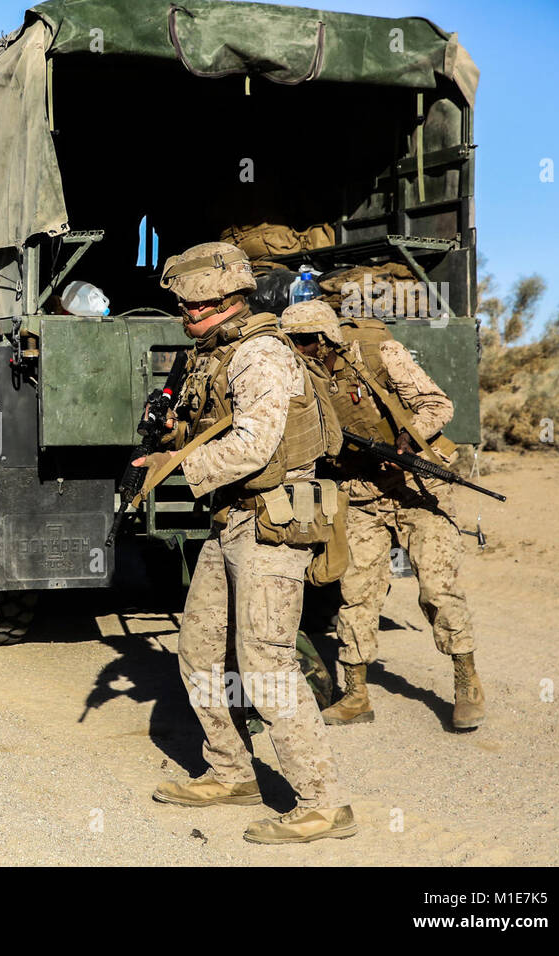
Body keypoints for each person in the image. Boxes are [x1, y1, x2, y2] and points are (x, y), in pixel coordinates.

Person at [147, 241, 355, 845]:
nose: (184, 312)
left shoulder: (260, 353)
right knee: (201, 650)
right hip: (232, 519)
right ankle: (231, 770)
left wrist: (175, 467)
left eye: (188, 300)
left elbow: (255, 446)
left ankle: (323, 803)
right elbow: (220, 429)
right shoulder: (220, 352)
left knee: (266, 664)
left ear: (216, 297)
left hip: (270, 523)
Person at [280, 299, 485, 730]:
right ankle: (356, 695)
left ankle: (466, 682)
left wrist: (407, 444)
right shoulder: (297, 376)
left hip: (417, 489)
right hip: (359, 493)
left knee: (438, 589)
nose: (297, 350)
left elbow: (438, 405)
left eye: (303, 342)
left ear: (323, 338)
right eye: (291, 342)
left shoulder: (377, 353)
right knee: (358, 595)